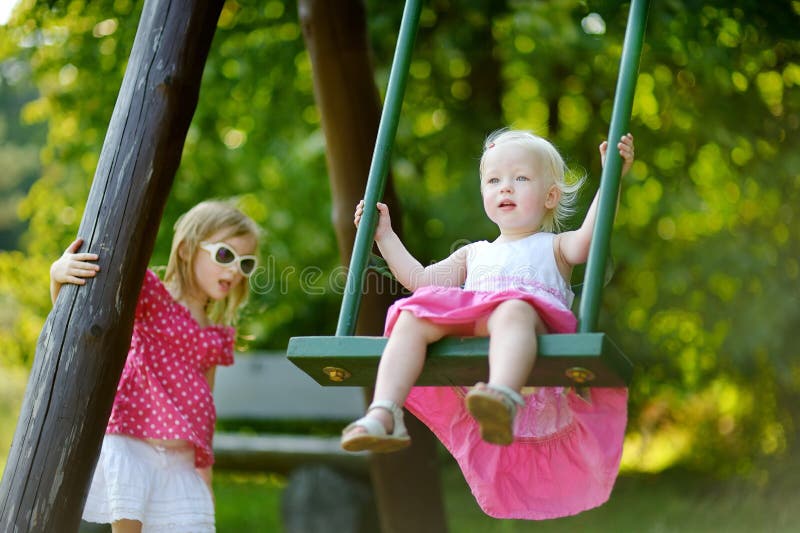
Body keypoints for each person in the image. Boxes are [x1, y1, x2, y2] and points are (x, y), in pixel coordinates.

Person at [341, 129, 635, 520]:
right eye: (494, 180)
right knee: (412, 314)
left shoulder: (556, 246)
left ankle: (503, 396)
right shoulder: (475, 253)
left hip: (529, 330)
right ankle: (385, 412)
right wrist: (384, 235)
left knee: (512, 309)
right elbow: (422, 280)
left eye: (520, 178)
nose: (505, 188)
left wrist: (611, 178)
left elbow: (589, 240)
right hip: (479, 329)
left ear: (550, 196)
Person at [50, 200, 260, 533]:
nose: (234, 270)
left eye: (245, 263)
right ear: (189, 249)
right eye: (225, 255)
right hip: (132, 442)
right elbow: (83, 314)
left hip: (181, 462)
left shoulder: (214, 336)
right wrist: (58, 277)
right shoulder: (152, 298)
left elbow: (204, 409)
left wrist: (204, 475)